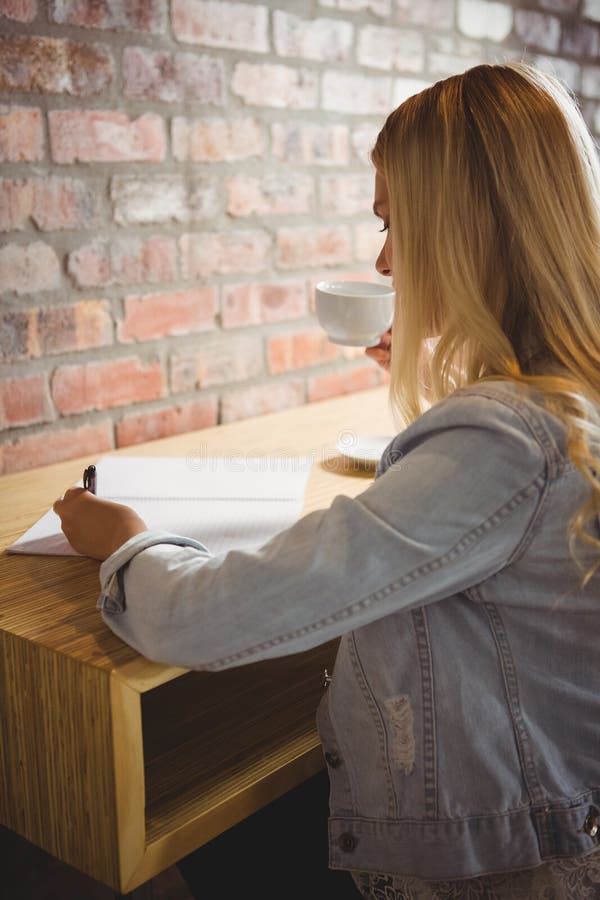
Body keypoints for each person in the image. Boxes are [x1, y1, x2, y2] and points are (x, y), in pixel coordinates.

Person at [54, 63, 600, 899]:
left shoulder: (504, 437)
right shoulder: (566, 402)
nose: (383, 264)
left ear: (467, 228)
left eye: (393, 224)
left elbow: (207, 619)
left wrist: (126, 542)